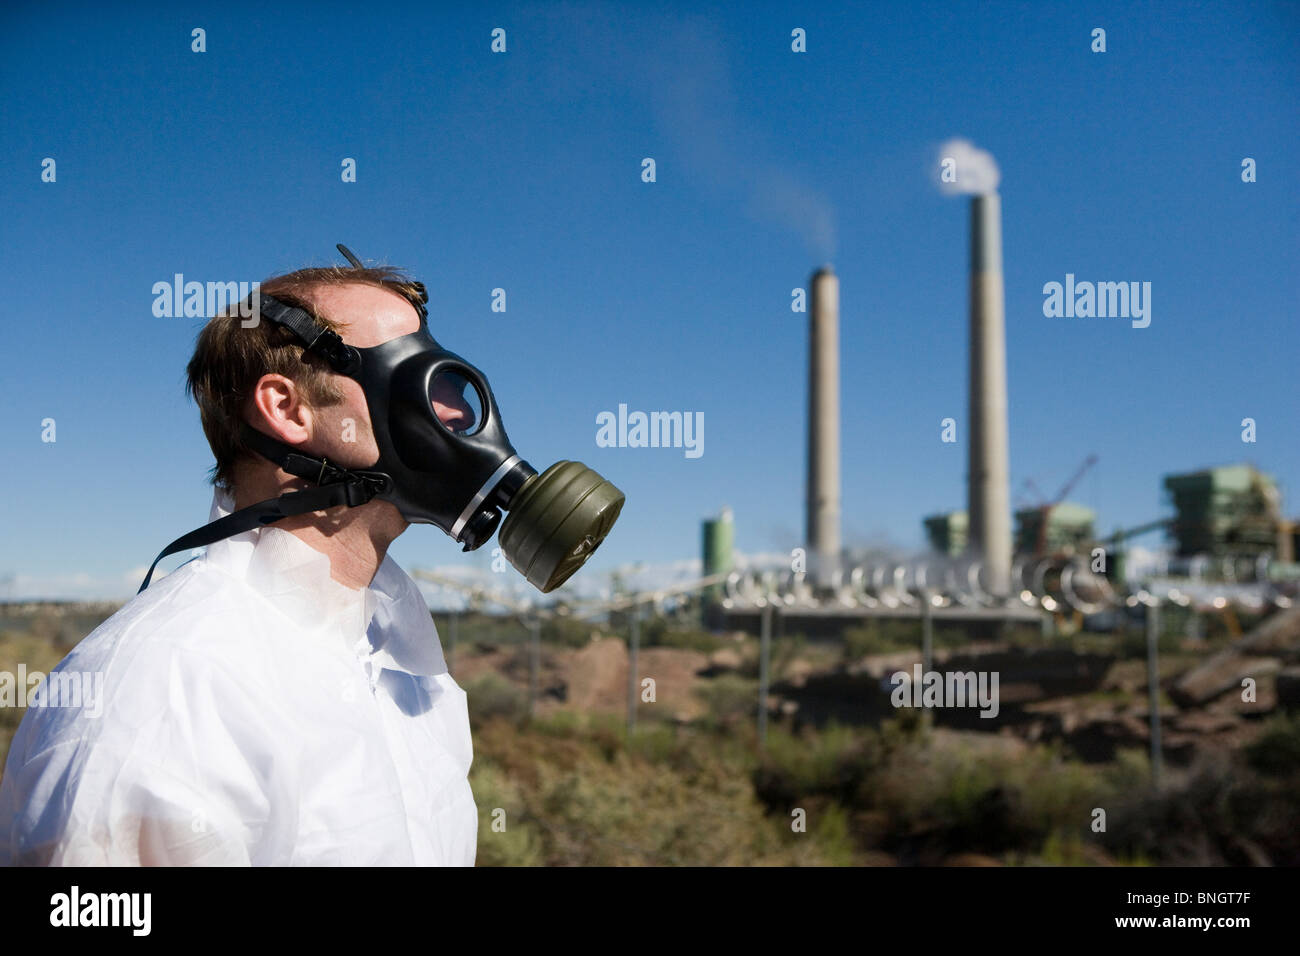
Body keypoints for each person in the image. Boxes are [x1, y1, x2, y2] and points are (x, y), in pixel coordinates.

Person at [0, 263, 479, 865]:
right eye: (411, 378)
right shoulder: (160, 695)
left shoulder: (406, 667)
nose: (457, 414)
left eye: (451, 384)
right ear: (286, 408)